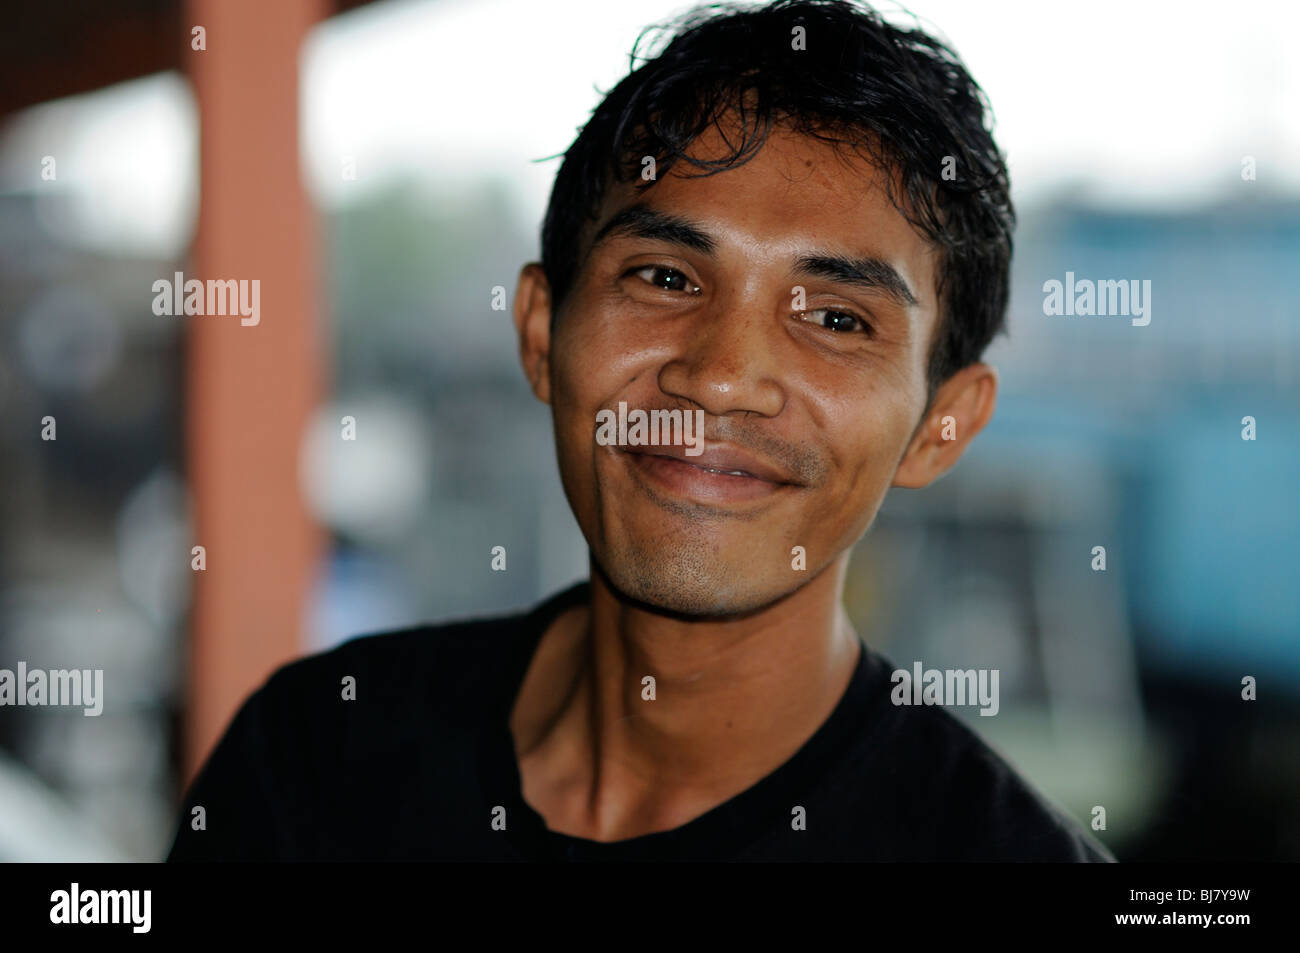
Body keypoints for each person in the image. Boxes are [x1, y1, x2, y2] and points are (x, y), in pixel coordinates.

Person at [168, 0, 1114, 862]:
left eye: (836, 318)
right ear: (542, 333)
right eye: (664, 277)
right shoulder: (317, 761)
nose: (721, 376)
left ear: (939, 428)